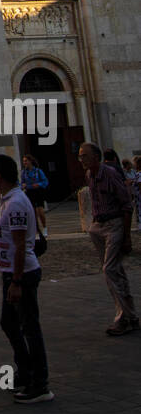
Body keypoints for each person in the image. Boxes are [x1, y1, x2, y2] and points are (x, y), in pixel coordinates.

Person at [0, 154, 53, 403]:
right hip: (13, 274)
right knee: (9, 322)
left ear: (2, 175)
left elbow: (18, 245)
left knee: (30, 328)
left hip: (22, 274)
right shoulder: (7, 199)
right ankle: (25, 370)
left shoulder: (15, 202)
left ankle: (40, 383)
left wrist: (15, 281)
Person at [79, 142, 137, 335]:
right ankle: (131, 316)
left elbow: (127, 205)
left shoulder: (110, 175)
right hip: (98, 226)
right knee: (116, 271)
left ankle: (123, 318)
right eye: (80, 156)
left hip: (114, 224)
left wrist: (127, 237)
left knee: (110, 269)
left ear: (96, 157)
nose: (81, 160)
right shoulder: (89, 176)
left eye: (85, 156)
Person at [20, 155, 49, 235]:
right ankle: (36, 228)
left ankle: (44, 227)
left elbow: (45, 181)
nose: (24, 162)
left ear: (30, 161)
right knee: (32, 212)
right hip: (29, 192)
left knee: (40, 210)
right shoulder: (23, 172)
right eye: (23, 161)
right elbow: (21, 182)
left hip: (38, 192)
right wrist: (22, 185)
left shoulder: (38, 171)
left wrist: (39, 184)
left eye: (26, 161)